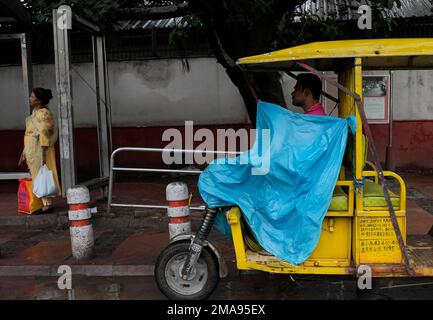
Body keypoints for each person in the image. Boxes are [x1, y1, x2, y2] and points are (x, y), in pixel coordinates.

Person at [18, 88, 61, 213]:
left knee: (39, 175)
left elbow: (44, 132)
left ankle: (47, 204)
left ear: (39, 100)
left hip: (38, 149)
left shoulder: (43, 113)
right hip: (31, 147)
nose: (30, 98)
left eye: (32, 96)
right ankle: (42, 203)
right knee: (36, 174)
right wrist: (24, 151)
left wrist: (42, 152)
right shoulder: (35, 112)